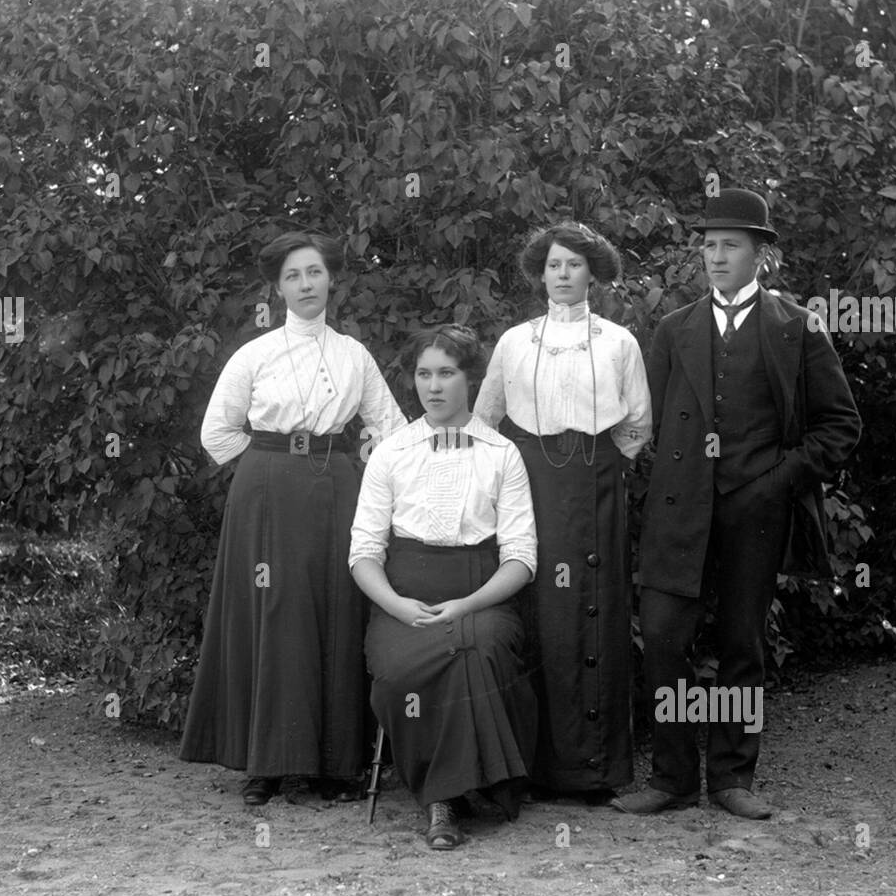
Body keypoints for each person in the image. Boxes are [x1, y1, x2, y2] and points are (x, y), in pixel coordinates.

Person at [615, 188, 861, 819]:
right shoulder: (673, 329)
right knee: (666, 640)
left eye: (730, 246)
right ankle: (671, 779)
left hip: (756, 512)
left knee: (741, 645)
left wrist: (776, 482)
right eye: (708, 246)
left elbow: (840, 426)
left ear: (761, 255)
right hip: (679, 510)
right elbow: (662, 424)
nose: (716, 257)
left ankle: (732, 779)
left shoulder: (796, 327)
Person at [180, 231, 405, 805]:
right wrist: (265, 471)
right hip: (268, 491)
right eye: (293, 277)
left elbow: (394, 428)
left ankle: (329, 765)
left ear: (332, 279)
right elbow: (216, 432)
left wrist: (365, 458)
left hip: (336, 490)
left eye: (315, 273)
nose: (306, 285)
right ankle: (264, 765)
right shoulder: (254, 355)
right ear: (277, 289)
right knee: (270, 613)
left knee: (332, 612)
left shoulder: (354, 354)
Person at [474, 222, 651, 803]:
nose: (564, 275)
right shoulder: (515, 341)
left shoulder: (619, 342)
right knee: (541, 610)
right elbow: (486, 418)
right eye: (554, 265)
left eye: (575, 265)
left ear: (593, 273)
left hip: (598, 481)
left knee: (592, 611)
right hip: (531, 482)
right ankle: (532, 769)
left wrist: (597, 464)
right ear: (540, 273)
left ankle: (593, 771)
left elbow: (638, 424)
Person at [350, 325, 538, 850]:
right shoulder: (391, 452)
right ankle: (462, 788)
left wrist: (467, 602)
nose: (434, 386)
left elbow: (521, 558)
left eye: (447, 373)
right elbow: (364, 552)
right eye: (424, 374)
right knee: (398, 677)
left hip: (483, 594)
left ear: (471, 380)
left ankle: (443, 802)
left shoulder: (502, 454)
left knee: (476, 649)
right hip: (402, 598)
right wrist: (396, 605)